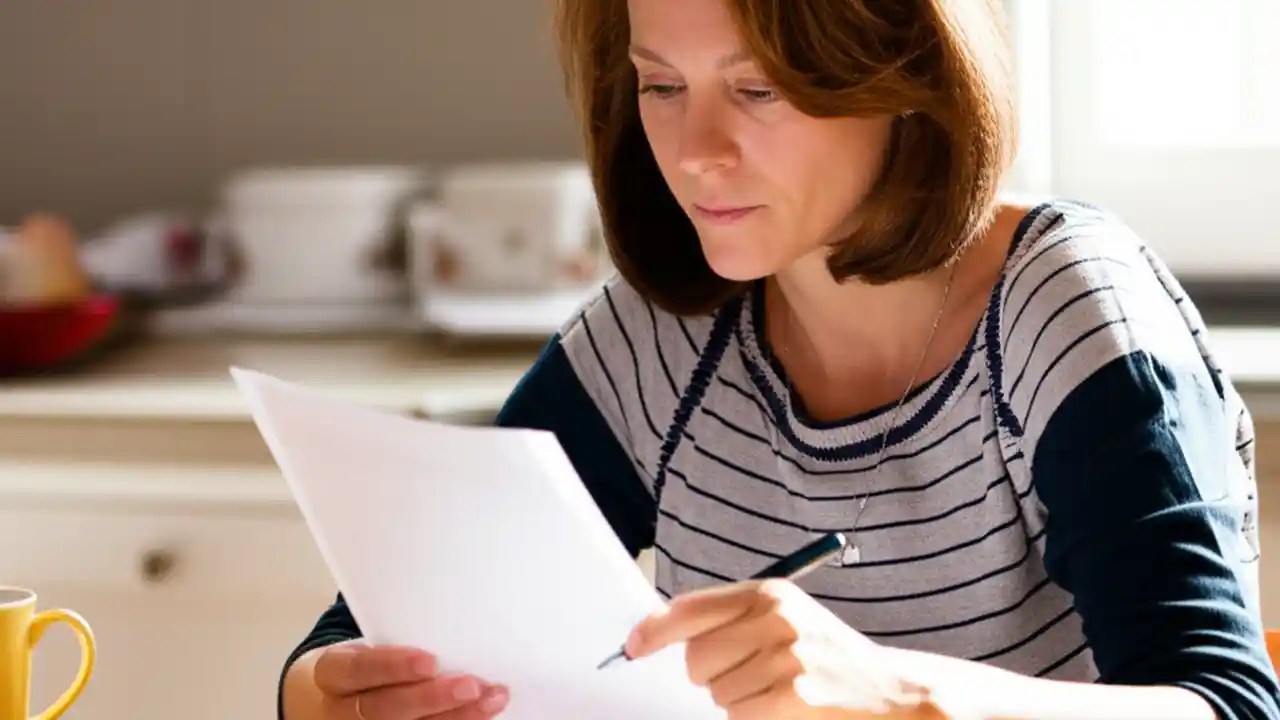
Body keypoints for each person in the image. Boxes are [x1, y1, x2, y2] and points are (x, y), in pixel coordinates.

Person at [276, 0, 1280, 717]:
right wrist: (324, 695)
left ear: (903, 81)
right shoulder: (651, 340)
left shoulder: (1063, 310)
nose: (695, 149)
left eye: (755, 89)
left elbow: (1223, 702)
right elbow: (353, 633)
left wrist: (901, 696)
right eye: (661, 85)